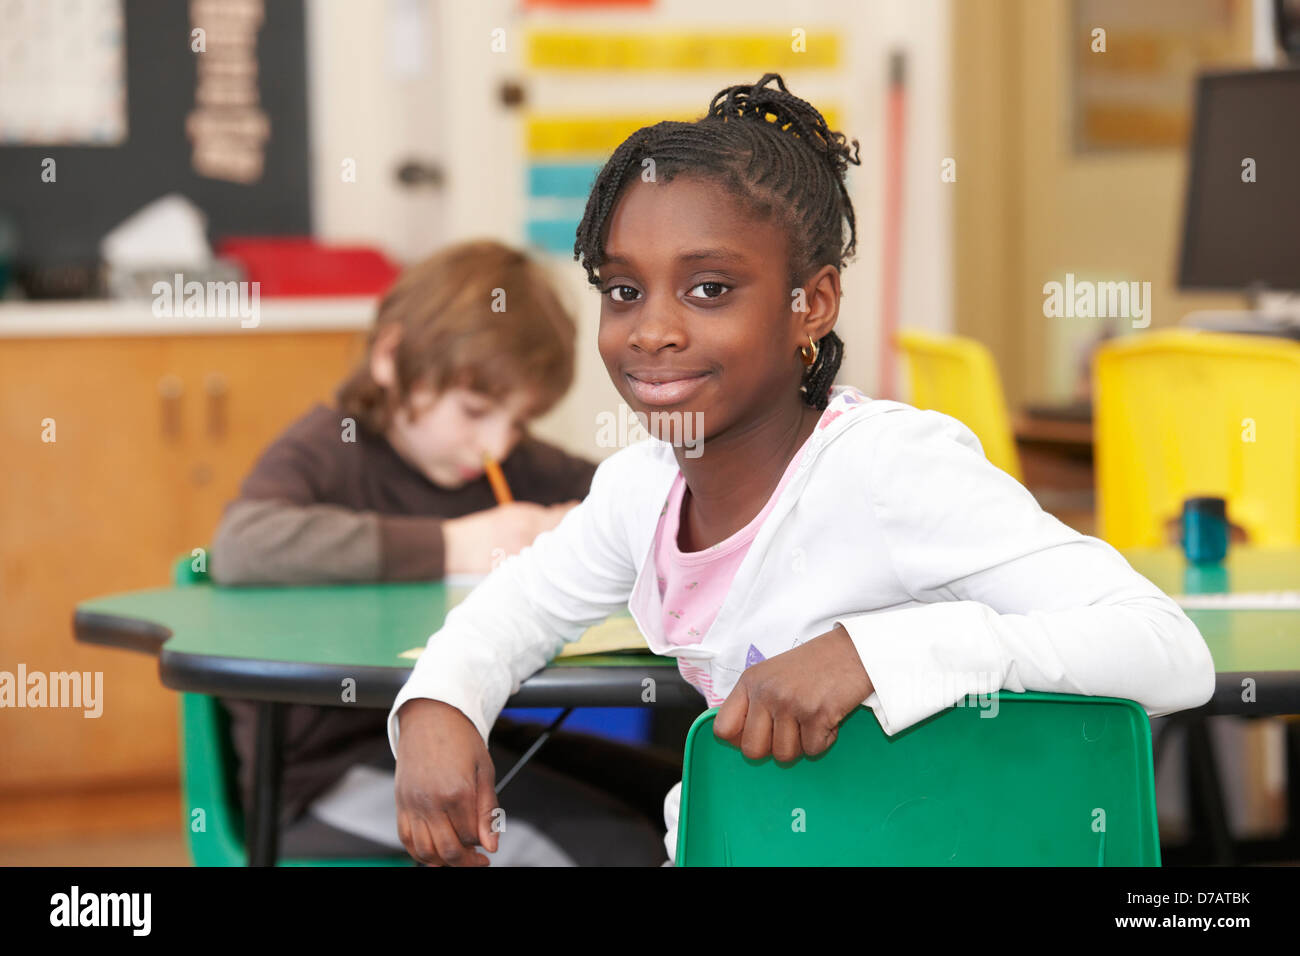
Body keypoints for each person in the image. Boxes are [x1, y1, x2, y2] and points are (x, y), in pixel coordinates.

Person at [387, 74, 1217, 866]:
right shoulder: (642, 491)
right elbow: (515, 606)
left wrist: (869, 652)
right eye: (623, 290)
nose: (651, 331)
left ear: (810, 304)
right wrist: (439, 702)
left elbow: (1166, 650)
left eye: (710, 289)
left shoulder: (887, 469)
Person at [210, 239, 680, 865]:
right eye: (477, 410)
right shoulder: (329, 449)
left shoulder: (508, 461)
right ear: (390, 357)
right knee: (616, 850)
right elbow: (242, 547)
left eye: (518, 421)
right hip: (324, 772)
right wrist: (454, 543)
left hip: (477, 732)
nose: (495, 444)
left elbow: (639, 498)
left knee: (676, 796)